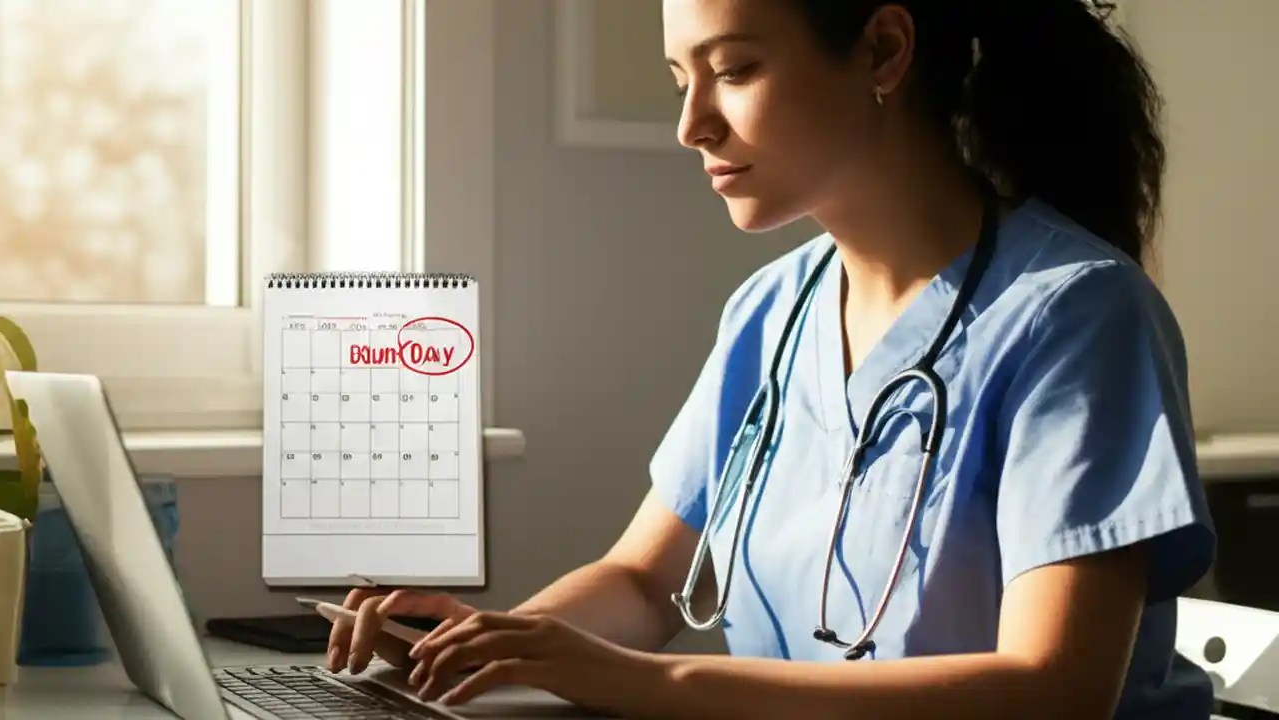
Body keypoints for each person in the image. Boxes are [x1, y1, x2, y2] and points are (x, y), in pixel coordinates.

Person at [327, 0, 1218, 717]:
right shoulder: (770, 312)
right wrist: (489, 645)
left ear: (882, 51)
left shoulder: (1076, 314)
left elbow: (1051, 692)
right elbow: (641, 583)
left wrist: (645, 684)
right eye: (679, 80)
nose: (692, 126)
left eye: (734, 70)